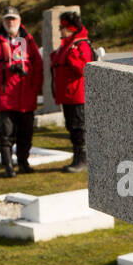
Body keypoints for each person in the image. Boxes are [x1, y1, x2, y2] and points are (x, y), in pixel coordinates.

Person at [0, 6, 43, 177]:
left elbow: (38, 66)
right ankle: (8, 166)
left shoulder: (27, 39)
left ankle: (23, 162)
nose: (11, 22)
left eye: (13, 19)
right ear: (3, 21)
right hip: (5, 97)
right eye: (7, 19)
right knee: (6, 134)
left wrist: (35, 88)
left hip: (26, 96)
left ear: (19, 20)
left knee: (26, 133)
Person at [51, 11, 92, 174]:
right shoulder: (67, 44)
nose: (60, 30)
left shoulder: (80, 44)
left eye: (62, 27)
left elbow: (83, 67)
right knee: (72, 128)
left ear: (71, 28)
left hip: (77, 96)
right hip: (67, 96)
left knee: (79, 128)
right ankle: (77, 158)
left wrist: (72, 55)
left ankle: (82, 160)